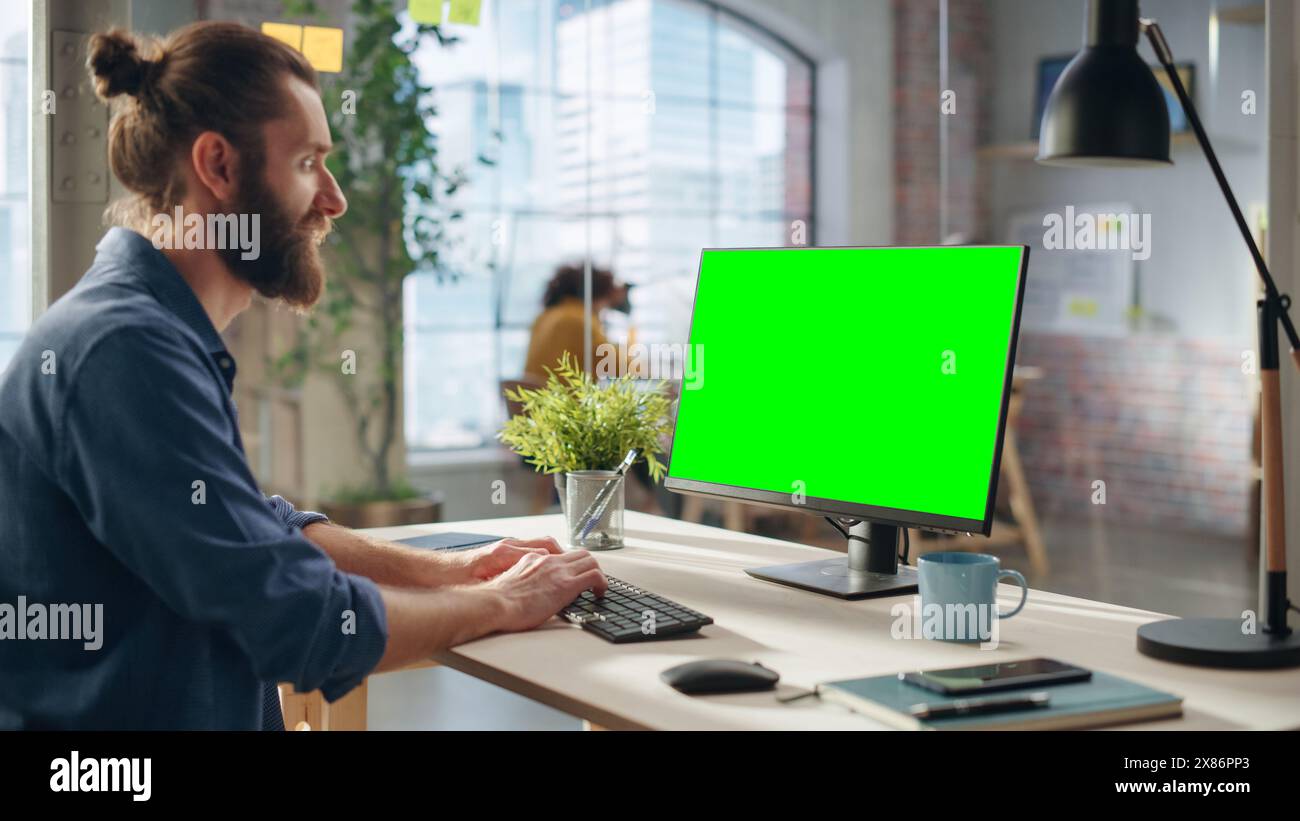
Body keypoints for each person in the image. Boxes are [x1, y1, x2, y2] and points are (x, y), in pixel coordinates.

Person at [0, 22, 605, 730]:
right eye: (309, 163)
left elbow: (253, 529)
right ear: (219, 166)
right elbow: (293, 618)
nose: (335, 199)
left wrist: (457, 569)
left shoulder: (148, 330)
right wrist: (503, 603)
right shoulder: (123, 350)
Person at [523, 263, 631, 383]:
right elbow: (618, 366)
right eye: (606, 303)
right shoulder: (579, 321)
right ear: (596, 296)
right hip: (566, 399)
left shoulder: (545, 317)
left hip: (537, 399)